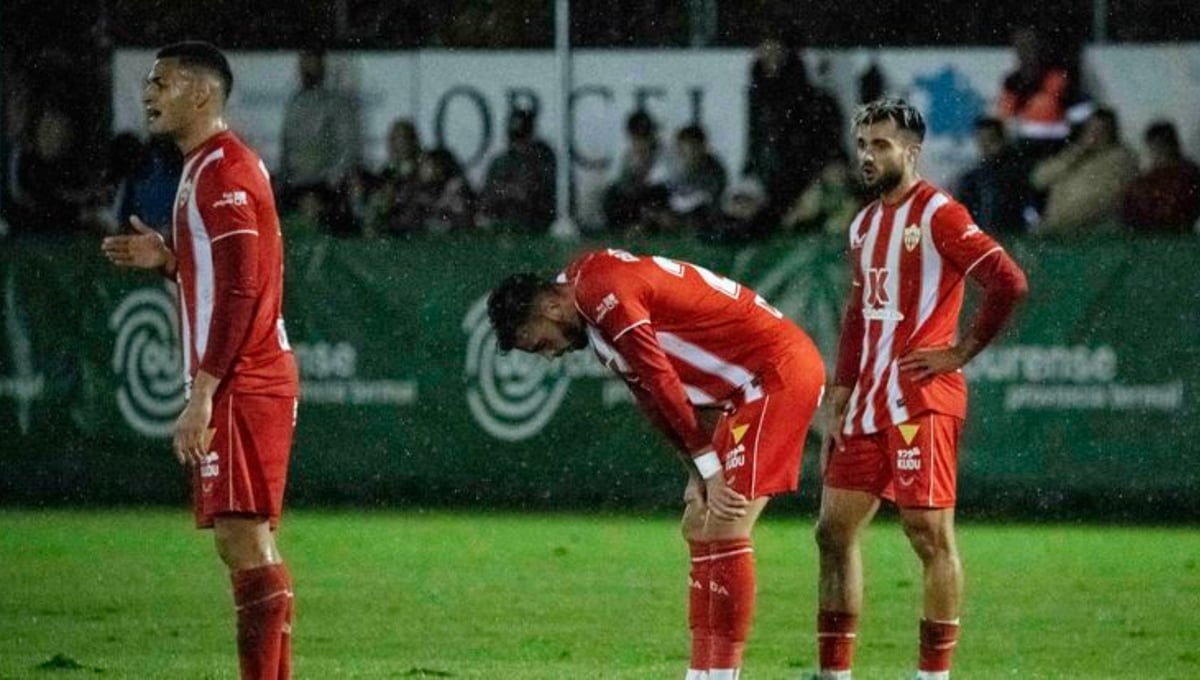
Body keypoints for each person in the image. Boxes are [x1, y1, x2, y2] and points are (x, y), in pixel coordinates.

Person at [487, 249, 826, 680]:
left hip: (778, 373)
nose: (550, 355)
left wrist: (711, 468)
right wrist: (695, 468)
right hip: (743, 390)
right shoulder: (587, 301)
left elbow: (662, 379)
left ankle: (721, 675)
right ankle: (701, 672)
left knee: (725, 524)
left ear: (553, 306)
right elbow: (649, 394)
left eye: (540, 343)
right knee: (698, 525)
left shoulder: (603, 292)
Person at [100, 41, 299, 680]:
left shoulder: (224, 172)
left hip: (245, 377)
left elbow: (244, 290)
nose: (148, 93)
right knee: (244, 541)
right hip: (245, 372)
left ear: (203, 92)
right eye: (148, 83)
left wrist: (204, 392)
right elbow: (229, 276)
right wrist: (171, 262)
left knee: (242, 541)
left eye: (163, 82)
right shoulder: (207, 166)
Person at [815, 99, 1028, 680]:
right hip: (866, 404)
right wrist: (842, 387)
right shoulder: (862, 224)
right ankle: (833, 673)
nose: (867, 156)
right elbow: (860, 312)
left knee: (927, 534)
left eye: (880, 145)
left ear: (912, 151)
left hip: (921, 398)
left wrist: (960, 353)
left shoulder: (940, 214)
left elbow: (1008, 281)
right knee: (832, 532)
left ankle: (932, 676)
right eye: (862, 144)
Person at [1029, 107, 1138, 237]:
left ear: (1112, 132)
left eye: (1101, 130)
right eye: (1091, 129)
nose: (1094, 135)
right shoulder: (1075, 155)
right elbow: (1038, 179)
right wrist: (1075, 154)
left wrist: (1057, 223)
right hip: (1059, 231)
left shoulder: (1121, 159)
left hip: (1093, 234)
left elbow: (1101, 200)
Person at [277, 48, 361, 211]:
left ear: (322, 66)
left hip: (324, 186)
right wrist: (283, 180)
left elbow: (347, 147)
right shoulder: (294, 102)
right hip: (295, 183)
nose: (306, 68)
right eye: (303, 63)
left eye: (311, 63)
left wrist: (331, 181)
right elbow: (286, 145)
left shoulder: (336, 103)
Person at [477, 107, 557, 233]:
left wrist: (511, 192)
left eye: (522, 137)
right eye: (515, 137)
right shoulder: (500, 162)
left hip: (531, 229)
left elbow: (536, 198)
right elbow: (487, 199)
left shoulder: (541, 161)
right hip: (499, 228)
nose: (518, 144)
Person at [953, 117, 1030, 235]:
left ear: (1002, 141)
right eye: (981, 142)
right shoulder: (972, 178)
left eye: (991, 141)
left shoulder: (1017, 173)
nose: (985, 147)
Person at [1122, 120, 1200, 234]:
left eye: (1162, 146)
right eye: (1154, 147)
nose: (1157, 151)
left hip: (1175, 234)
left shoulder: (1187, 175)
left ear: (1172, 145)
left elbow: (1176, 211)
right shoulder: (1149, 177)